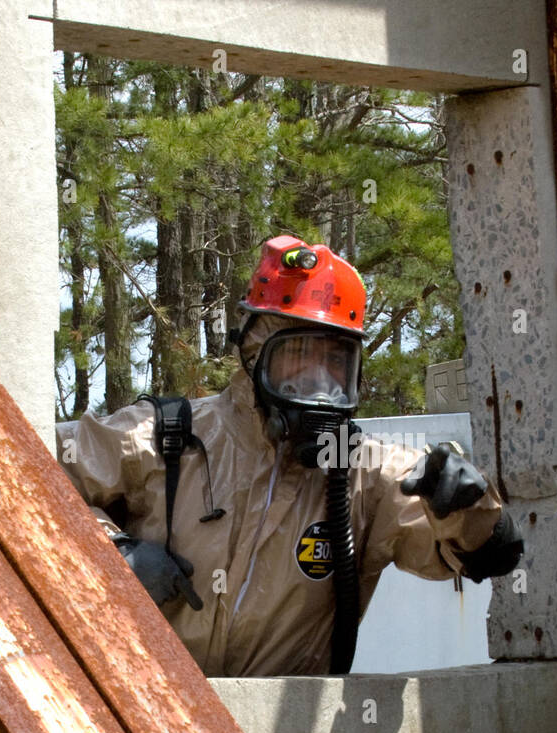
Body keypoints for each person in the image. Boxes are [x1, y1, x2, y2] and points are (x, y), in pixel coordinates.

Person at [59, 235, 522, 677]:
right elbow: (29, 478)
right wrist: (112, 556)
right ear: (254, 354)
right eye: (299, 356)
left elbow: (479, 554)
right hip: (146, 718)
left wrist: (469, 509)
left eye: (335, 362)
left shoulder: (363, 472)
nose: (318, 383)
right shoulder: (165, 435)